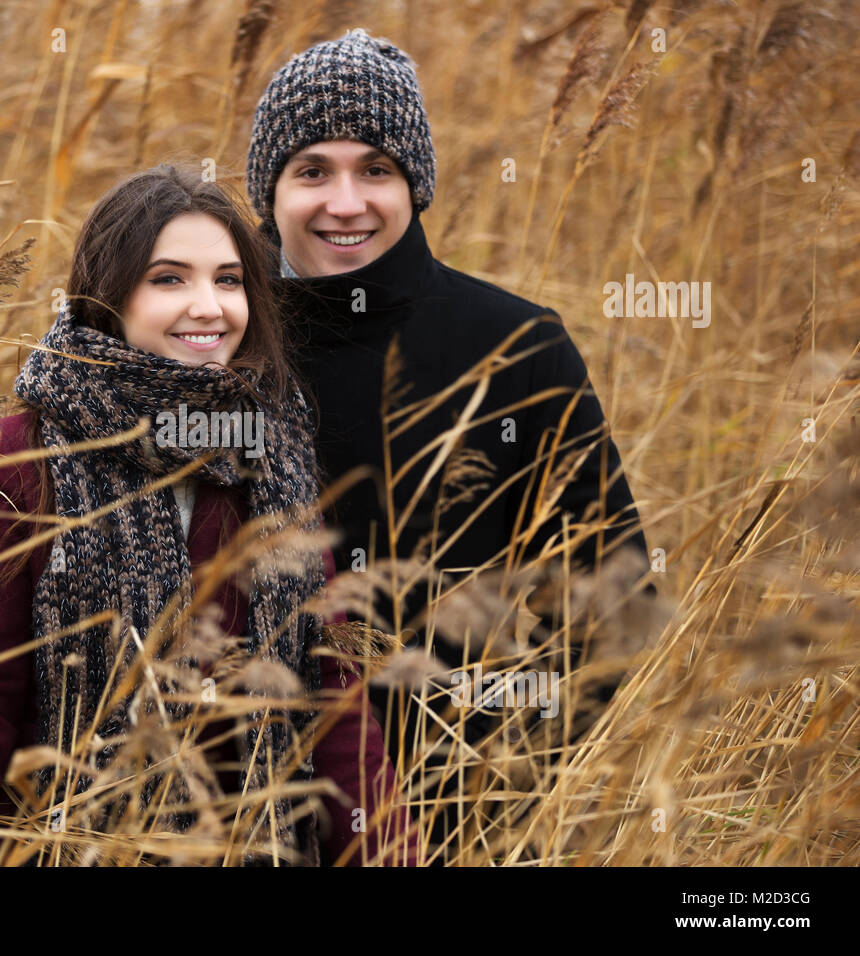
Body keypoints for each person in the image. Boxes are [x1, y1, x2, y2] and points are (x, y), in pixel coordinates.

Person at [0, 164, 418, 867]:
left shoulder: (273, 456)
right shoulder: (17, 457)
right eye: (170, 279)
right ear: (111, 296)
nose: (208, 306)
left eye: (228, 280)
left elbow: (334, 707)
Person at [245, 29, 652, 852]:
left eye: (377, 169)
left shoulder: (514, 346)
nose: (346, 201)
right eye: (312, 170)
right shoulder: (212, 342)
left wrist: (485, 785)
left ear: (416, 184)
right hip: (227, 823)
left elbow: (615, 597)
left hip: (451, 822)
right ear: (269, 189)